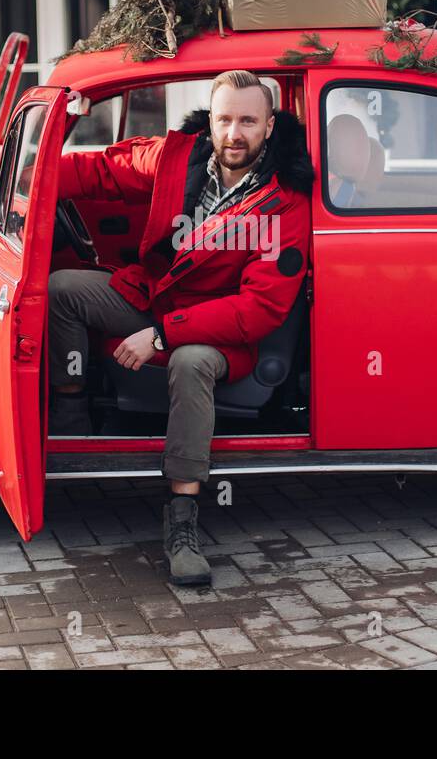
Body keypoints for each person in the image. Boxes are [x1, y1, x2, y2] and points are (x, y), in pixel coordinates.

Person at [48, 70, 314, 586]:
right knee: (62, 289)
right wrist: (27, 181)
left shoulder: (286, 202)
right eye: (225, 119)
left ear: (270, 124)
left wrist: (163, 336)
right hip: (156, 301)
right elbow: (102, 170)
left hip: (223, 333)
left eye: (248, 121)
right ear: (210, 121)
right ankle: (72, 418)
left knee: (191, 362)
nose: (234, 133)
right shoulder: (178, 156)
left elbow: (258, 309)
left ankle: (183, 517)